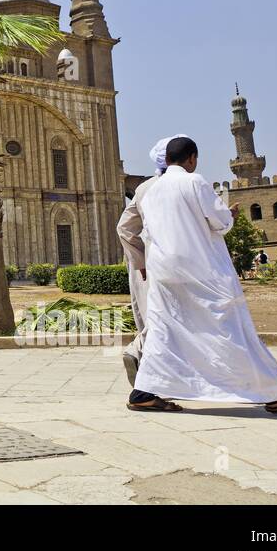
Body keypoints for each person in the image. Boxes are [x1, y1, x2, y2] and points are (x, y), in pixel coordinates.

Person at [128, 136, 277, 413]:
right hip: (200, 270)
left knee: (165, 331)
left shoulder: (149, 191)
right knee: (229, 329)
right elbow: (221, 222)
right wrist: (229, 216)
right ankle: (274, 393)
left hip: (164, 272)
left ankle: (143, 393)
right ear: (191, 159)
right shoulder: (194, 181)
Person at [116, 134, 186, 386]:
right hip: (171, 264)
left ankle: (140, 356)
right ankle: (149, 377)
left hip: (145, 265)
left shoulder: (145, 188)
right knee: (172, 316)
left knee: (154, 315)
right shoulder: (185, 185)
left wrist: (139, 261)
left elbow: (124, 227)